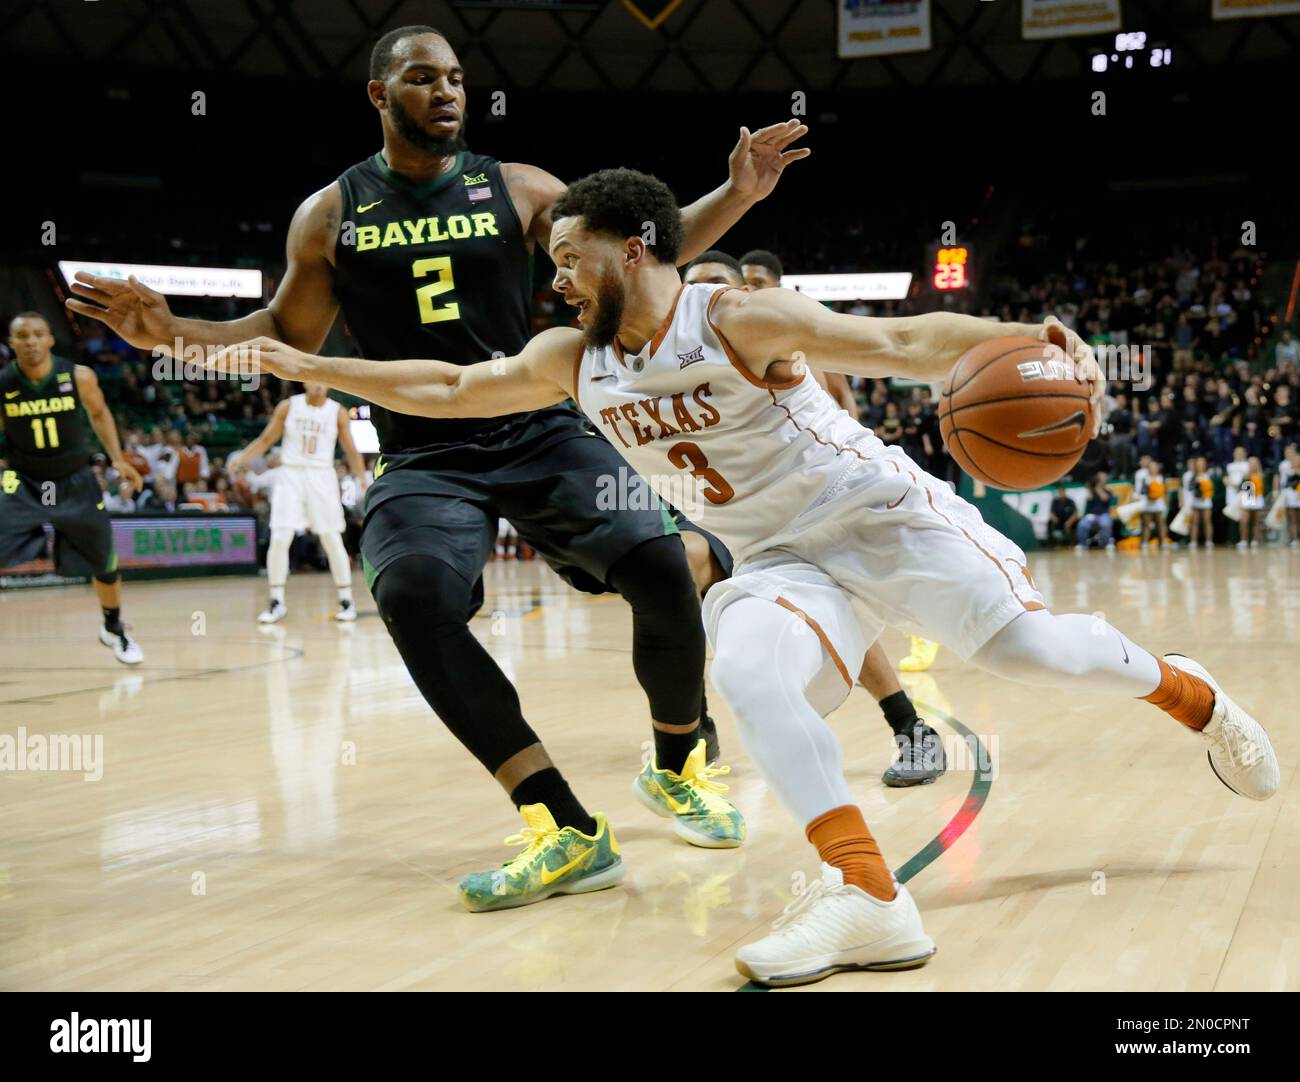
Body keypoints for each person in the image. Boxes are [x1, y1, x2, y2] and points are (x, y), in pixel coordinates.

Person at [209, 167, 1278, 986]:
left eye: (571, 257)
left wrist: (1031, 340)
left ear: (634, 249)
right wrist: (311, 366)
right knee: (751, 664)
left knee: (1031, 652)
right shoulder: (572, 358)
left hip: (881, 520)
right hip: (780, 558)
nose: (555, 277)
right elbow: (449, 382)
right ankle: (868, 893)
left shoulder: (732, 318)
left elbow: (904, 341)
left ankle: (1190, 691)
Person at [69, 25, 807, 910]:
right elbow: (282, 339)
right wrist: (174, 336)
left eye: (457, 78)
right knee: (413, 595)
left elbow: (636, 252)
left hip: (535, 422)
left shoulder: (520, 186)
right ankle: (561, 824)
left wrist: (738, 191)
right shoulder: (332, 214)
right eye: (424, 79)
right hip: (421, 450)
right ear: (380, 96)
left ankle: (679, 760)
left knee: (661, 561)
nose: (448, 92)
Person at [687, 248, 941, 781]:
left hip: (809, 501)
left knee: (847, 608)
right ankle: (692, 730)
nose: (736, 293)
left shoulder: (792, 342)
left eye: (750, 283)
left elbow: (845, 407)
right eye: (696, 285)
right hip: (719, 507)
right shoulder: (681, 349)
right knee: (679, 578)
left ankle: (909, 725)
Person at [0, 313, 144, 664]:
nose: (31, 341)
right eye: (22, 336)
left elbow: (99, 414)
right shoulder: (3, 383)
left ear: (50, 339)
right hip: (21, 480)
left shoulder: (78, 375)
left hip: (76, 478)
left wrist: (117, 458)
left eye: (37, 334)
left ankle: (113, 628)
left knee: (104, 562)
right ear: (12, 343)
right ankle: (41, 542)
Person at [227, 382, 367, 623]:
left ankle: (346, 600)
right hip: (290, 474)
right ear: (304, 381)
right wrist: (242, 458)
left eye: (322, 380)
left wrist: (362, 478)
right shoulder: (288, 406)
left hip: (321, 475)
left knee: (332, 539)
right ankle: (276, 601)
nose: (318, 385)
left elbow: (350, 449)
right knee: (280, 537)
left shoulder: (337, 411)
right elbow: (266, 439)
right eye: (313, 380)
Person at [1076, 473, 1116, 549]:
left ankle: (1107, 543)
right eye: (1099, 478)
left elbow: (1104, 498)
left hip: (1103, 514)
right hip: (1092, 514)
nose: (1100, 480)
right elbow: (1089, 498)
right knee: (1082, 524)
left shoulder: (1107, 491)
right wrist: (1090, 488)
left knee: (1106, 524)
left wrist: (1098, 487)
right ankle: (1082, 544)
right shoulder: (1092, 491)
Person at [1237, 456, 1266, 549]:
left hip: (1258, 498)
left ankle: (1255, 540)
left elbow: (1263, 488)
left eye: (1253, 463)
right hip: (1247, 497)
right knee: (1244, 521)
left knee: (1256, 521)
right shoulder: (1246, 475)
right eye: (1250, 463)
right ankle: (1243, 540)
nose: (1251, 465)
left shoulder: (1261, 475)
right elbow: (1242, 487)